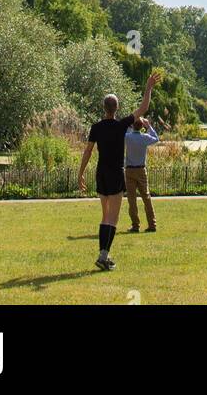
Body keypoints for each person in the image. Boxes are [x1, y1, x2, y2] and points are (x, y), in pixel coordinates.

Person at [78, 71, 162, 271]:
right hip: (116, 173)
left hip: (101, 174)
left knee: (105, 216)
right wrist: (148, 87)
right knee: (112, 218)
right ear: (116, 109)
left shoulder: (96, 127)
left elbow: (88, 152)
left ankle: (104, 255)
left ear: (103, 108)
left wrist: (80, 173)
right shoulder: (121, 125)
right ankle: (103, 255)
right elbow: (143, 107)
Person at [124, 116, 159, 233]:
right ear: (141, 126)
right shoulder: (144, 137)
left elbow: (122, 132)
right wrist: (148, 126)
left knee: (132, 199)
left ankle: (135, 225)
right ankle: (152, 224)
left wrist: (128, 123)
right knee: (146, 197)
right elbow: (156, 138)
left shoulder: (127, 137)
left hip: (129, 170)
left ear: (133, 125)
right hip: (141, 170)